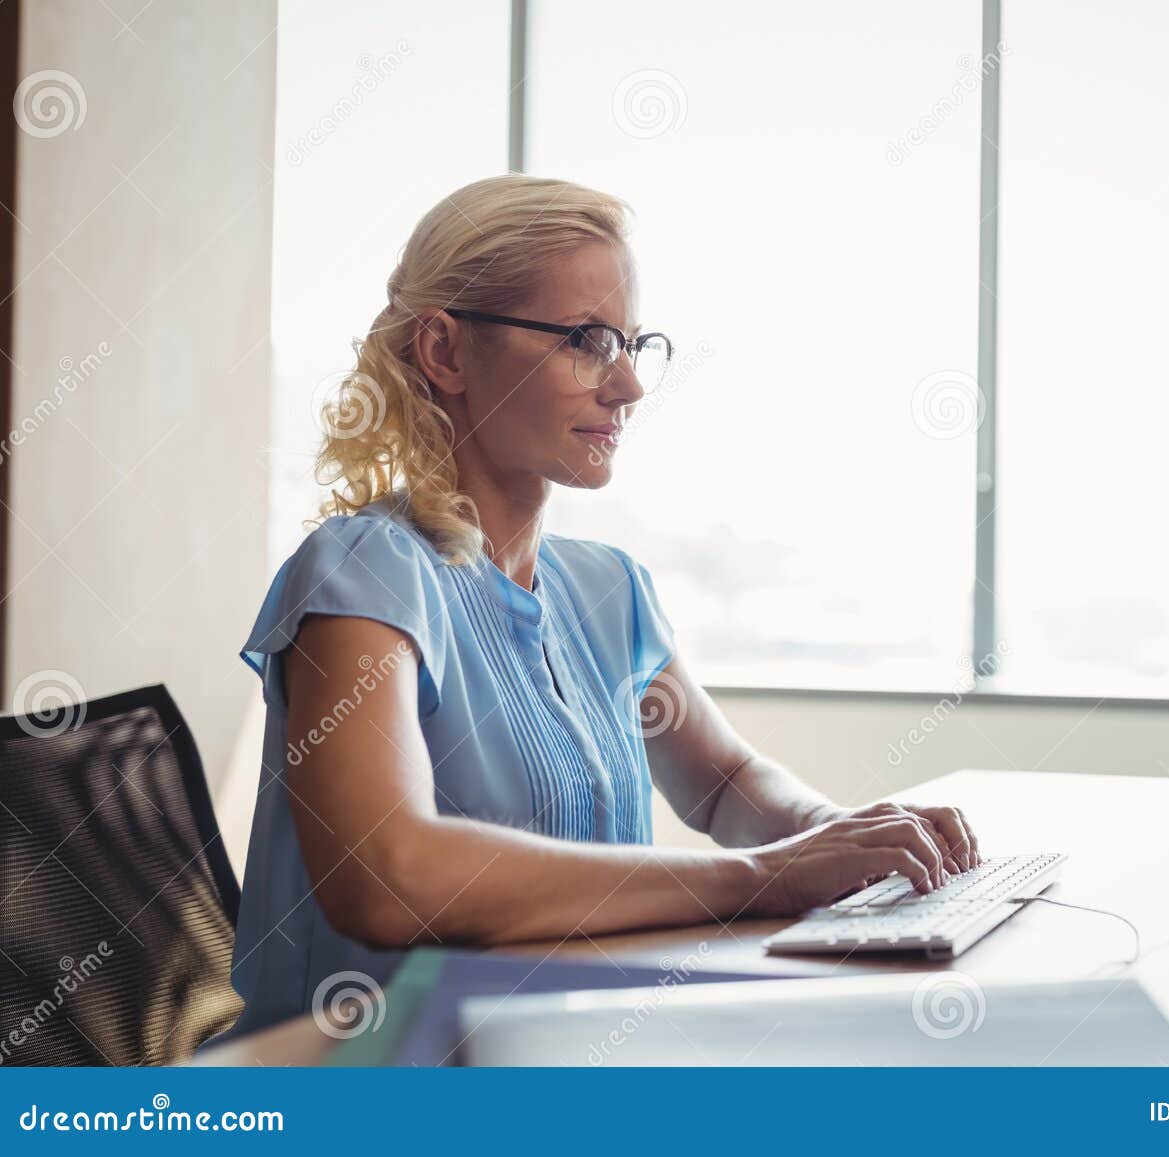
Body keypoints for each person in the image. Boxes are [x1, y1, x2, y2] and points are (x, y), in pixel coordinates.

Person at [224, 175, 981, 1035]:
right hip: (373, 1075)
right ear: (444, 352)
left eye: (630, 343)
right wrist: (766, 875)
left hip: (566, 1044)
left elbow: (725, 780)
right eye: (586, 340)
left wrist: (840, 836)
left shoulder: (607, 589)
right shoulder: (363, 573)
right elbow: (389, 878)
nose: (628, 385)